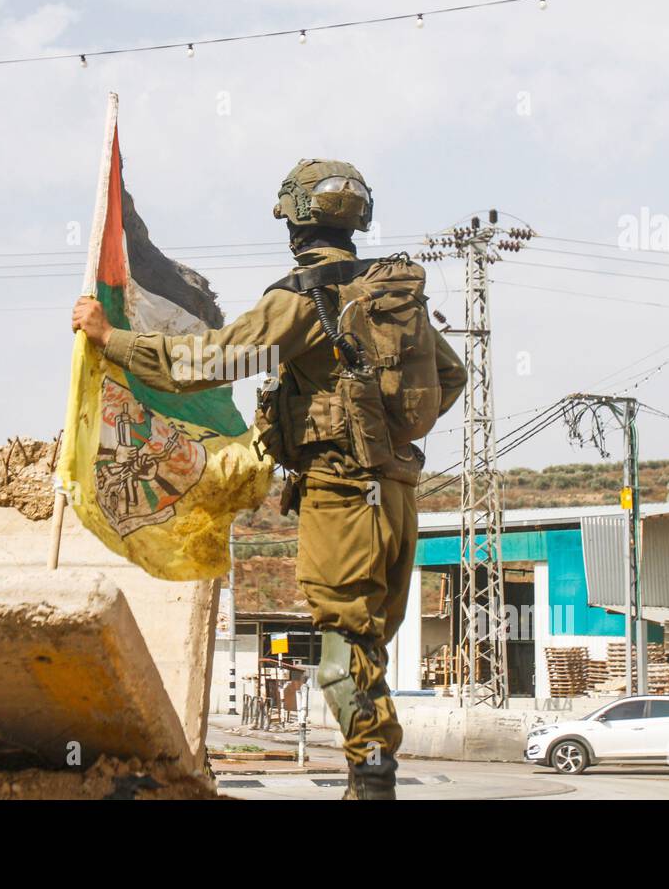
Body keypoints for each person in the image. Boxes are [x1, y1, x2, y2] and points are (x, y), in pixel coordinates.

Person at [72, 158, 466, 799]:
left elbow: (210, 360)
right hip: (396, 496)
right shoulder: (394, 298)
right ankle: (367, 779)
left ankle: (372, 784)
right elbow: (450, 378)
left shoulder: (301, 300)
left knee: (341, 656)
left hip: (341, 493)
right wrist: (382, 428)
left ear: (294, 217)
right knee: (365, 646)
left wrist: (112, 339)